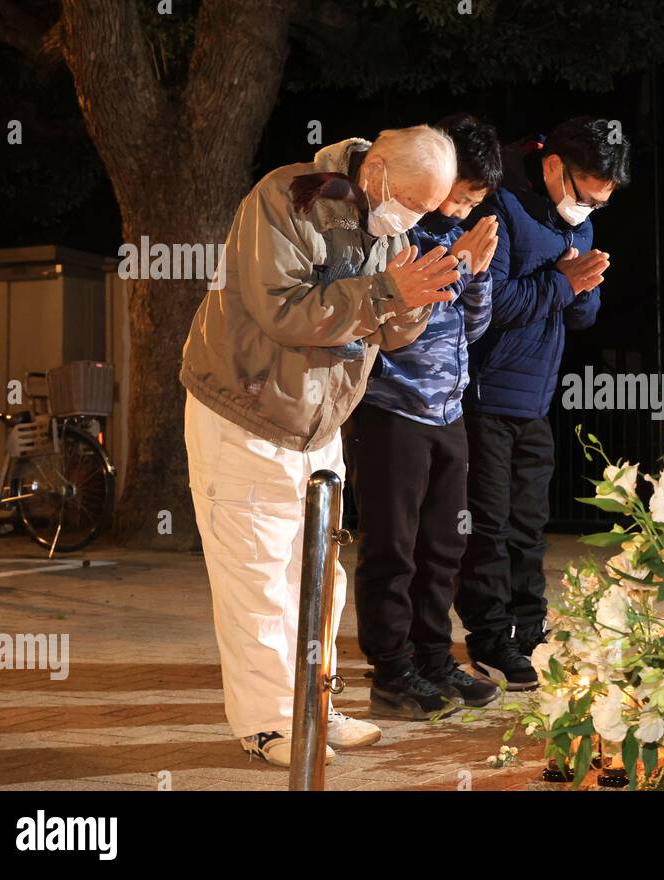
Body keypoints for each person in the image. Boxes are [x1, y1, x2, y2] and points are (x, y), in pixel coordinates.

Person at [180, 126, 461, 767]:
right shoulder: (286, 196)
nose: (413, 218)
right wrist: (390, 293)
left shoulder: (388, 227)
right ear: (379, 169)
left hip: (319, 427)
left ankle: (314, 705)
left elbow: (389, 336)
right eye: (411, 202)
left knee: (318, 579)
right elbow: (284, 310)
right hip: (246, 413)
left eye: (425, 210)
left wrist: (417, 302)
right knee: (258, 574)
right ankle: (266, 723)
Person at [457, 117, 631, 690]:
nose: (587, 209)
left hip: (536, 396)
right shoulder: (502, 204)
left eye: (600, 204)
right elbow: (492, 301)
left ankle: (529, 631)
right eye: (585, 195)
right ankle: (488, 637)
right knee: (489, 525)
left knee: (530, 524)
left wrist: (580, 289)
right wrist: (562, 283)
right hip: (486, 393)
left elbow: (584, 313)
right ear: (555, 165)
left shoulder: (575, 225)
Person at [348, 114, 503, 719]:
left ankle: (435, 658)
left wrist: (477, 276)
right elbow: (397, 334)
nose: (462, 207)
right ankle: (391, 670)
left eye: (475, 199)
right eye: (460, 193)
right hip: (393, 409)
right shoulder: (401, 229)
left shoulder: (458, 238)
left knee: (443, 547)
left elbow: (471, 329)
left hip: (448, 410)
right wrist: (458, 266)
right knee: (393, 548)